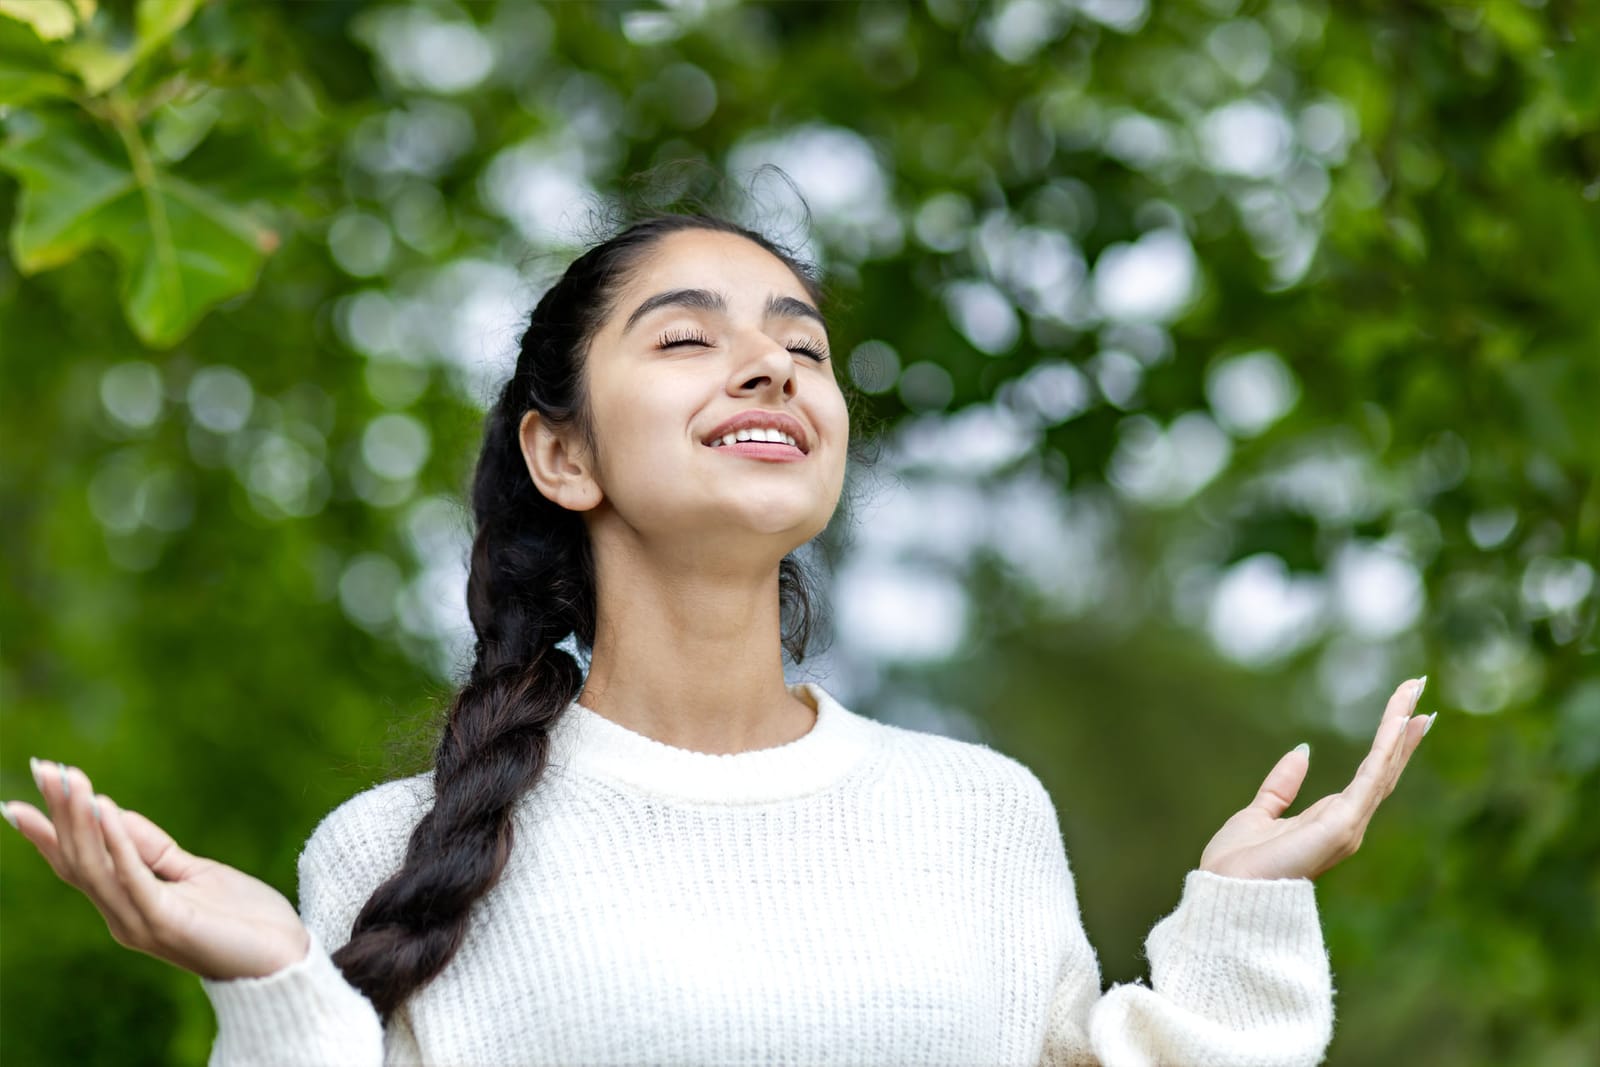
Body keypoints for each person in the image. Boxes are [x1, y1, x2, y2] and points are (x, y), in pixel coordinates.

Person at [2, 213, 1433, 1066]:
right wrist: (274, 990)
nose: (772, 366)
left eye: (802, 347)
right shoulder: (387, 855)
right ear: (562, 456)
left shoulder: (978, 817)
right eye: (686, 339)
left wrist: (1236, 920)